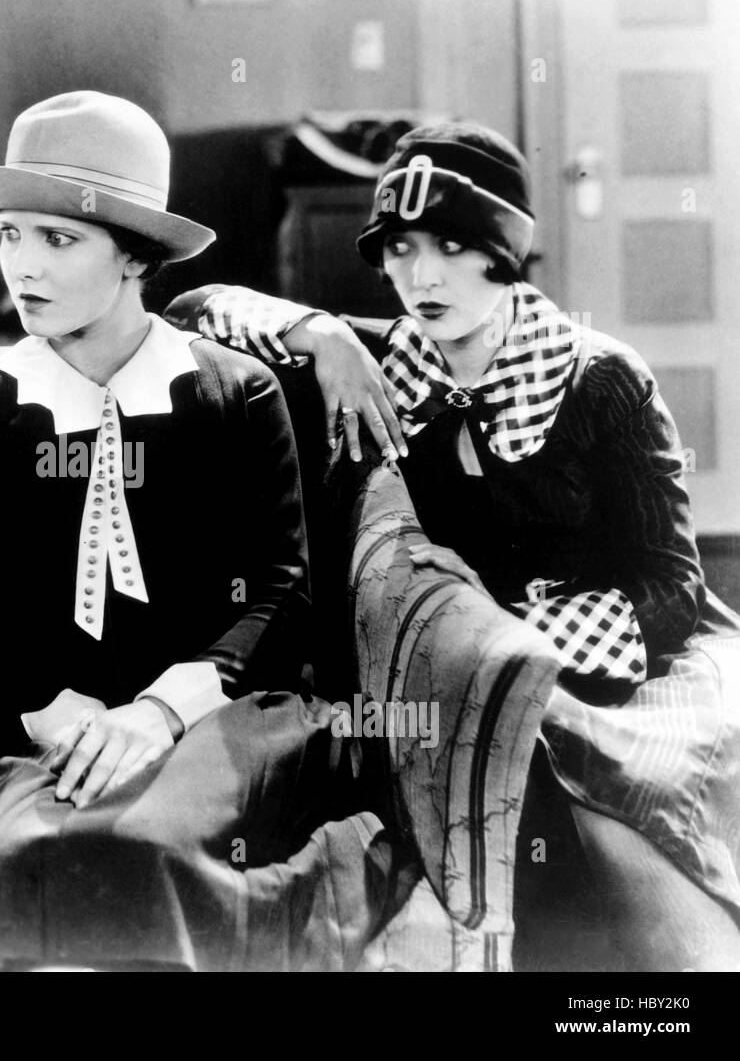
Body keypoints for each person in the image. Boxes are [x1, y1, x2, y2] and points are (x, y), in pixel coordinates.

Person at [170, 121, 740, 970]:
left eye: (451, 245)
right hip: (455, 671)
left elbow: (671, 590)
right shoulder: (375, 362)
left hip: (621, 664)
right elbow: (190, 307)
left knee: (625, 818)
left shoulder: (599, 378)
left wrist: (518, 649)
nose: (421, 275)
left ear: (503, 253)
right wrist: (319, 334)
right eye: (399, 247)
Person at [0, 91, 409, 971]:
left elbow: (279, 590)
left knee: (145, 842)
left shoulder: (236, 393)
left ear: (135, 254)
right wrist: (59, 709)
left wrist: (159, 710)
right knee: (13, 856)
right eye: (10, 235)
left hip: (224, 709)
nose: (22, 267)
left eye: (58, 239)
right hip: (54, 724)